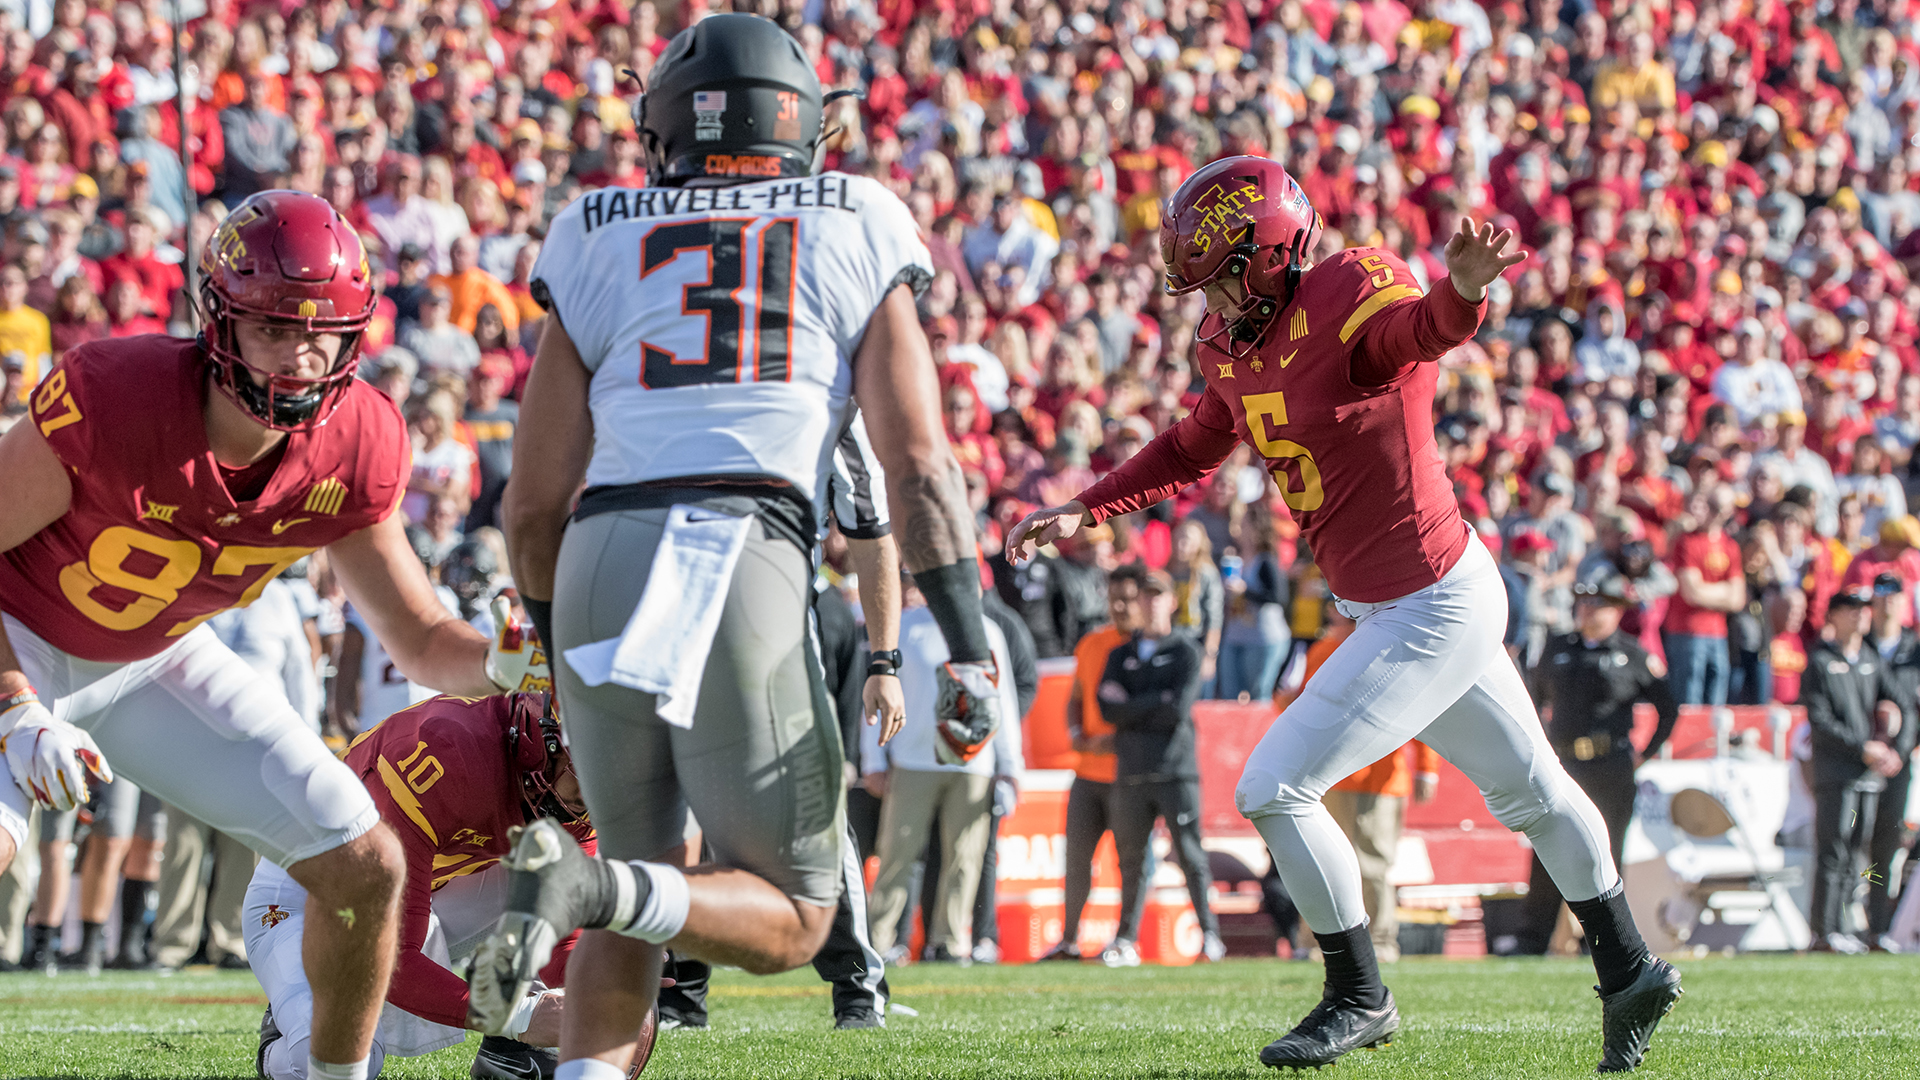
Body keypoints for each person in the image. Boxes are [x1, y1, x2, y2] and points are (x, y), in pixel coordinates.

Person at [1006, 157, 1679, 1072]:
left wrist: (1465, 292)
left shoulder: (1346, 293)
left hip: (1432, 600)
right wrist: (1089, 505)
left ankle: (1359, 995)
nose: (1214, 300)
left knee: (1273, 787)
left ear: (1274, 249)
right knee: (1531, 791)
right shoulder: (1228, 342)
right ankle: (1631, 971)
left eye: (1223, 275)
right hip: (1400, 604)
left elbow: (1419, 331)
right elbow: (1195, 442)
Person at [473, 19, 1001, 1080]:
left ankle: (590, 927)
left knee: (642, 881)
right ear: (805, 118)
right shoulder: (857, 213)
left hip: (598, 555)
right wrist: (966, 643)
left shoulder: (594, 224)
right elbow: (921, 468)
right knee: (802, 912)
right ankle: (578, 891)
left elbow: (531, 502)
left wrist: (550, 633)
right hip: (739, 550)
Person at [0, 191, 548, 1080]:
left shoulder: (359, 441)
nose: (301, 359)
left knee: (365, 866)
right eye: (272, 329)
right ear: (218, 320)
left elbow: (417, 639)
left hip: (151, 656)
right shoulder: (116, 394)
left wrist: (498, 661)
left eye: (323, 334)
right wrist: (16, 704)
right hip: (19, 641)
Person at [246, 692, 636, 1080]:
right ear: (544, 745)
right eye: (591, 772)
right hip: (305, 897)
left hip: (409, 897)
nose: (599, 795)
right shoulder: (448, 752)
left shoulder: (571, 797)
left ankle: (512, 1056)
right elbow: (394, 959)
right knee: (353, 1062)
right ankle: (281, 1042)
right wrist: (517, 1015)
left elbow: (562, 933)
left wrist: (608, 971)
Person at [1507, 574, 1679, 957]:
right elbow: (1533, 698)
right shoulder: (1558, 648)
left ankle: (1600, 942)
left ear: (1617, 611)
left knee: (1606, 854)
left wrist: (1644, 753)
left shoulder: (1632, 653)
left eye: (1599, 604)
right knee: (1546, 848)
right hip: (1565, 763)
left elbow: (1669, 708)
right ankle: (1532, 937)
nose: (1588, 611)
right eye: (1584, 603)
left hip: (1611, 765)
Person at [862, 571, 1023, 964]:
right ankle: (876, 942)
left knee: (965, 859)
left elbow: (1003, 703)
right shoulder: (904, 628)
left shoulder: (988, 631)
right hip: (913, 758)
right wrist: (874, 756)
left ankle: (948, 943)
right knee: (897, 854)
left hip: (974, 763)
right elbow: (878, 689)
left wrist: (1010, 766)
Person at [1096, 565, 1224, 967]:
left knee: (1189, 854)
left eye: (1157, 596)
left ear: (1171, 601)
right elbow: (1106, 708)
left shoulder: (1186, 649)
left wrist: (1132, 703)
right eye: (1144, 596)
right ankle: (1126, 939)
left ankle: (1210, 936)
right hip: (1132, 769)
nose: (1150, 604)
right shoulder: (1121, 653)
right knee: (1131, 858)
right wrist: (1154, 699)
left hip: (1174, 767)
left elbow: (1177, 709)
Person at [1801, 584, 1910, 953]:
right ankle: (1824, 929)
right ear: (1832, 615)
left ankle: (1846, 926)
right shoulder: (1820, 661)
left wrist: (1893, 746)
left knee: (1856, 853)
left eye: (1864, 608)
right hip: (1837, 774)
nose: (1861, 614)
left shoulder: (1869, 659)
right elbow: (1820, 719)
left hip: (1867, 777)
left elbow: (1901, 703)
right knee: (1834, 850)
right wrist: (1862, 746)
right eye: (1851, 607)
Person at [1041, 565, 1138, 961]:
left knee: (1130, 862)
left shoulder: (1151, 647)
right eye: (1114, 597)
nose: (1118, 606)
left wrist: (1114, 742)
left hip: (1127, 774)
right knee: (1077, 859)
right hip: (1087, 771)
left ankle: (1125, 939)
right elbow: (1076, 696)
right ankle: (1068, 940)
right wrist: (1077, 732)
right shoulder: (1092, 643)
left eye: (1128, 598)